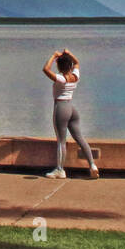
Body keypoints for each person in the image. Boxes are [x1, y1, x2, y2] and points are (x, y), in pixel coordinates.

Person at [42, 49, 98, 179]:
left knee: (61, 141)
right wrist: (69, 53)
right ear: (70, 66)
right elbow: (77, 62)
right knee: (80, 138)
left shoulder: (61, 79)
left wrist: (54, 56)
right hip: (72, 108)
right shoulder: (75, 77)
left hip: (61, 108)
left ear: (59, 66)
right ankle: (92, 165)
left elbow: (45, 69)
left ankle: (60, 170)